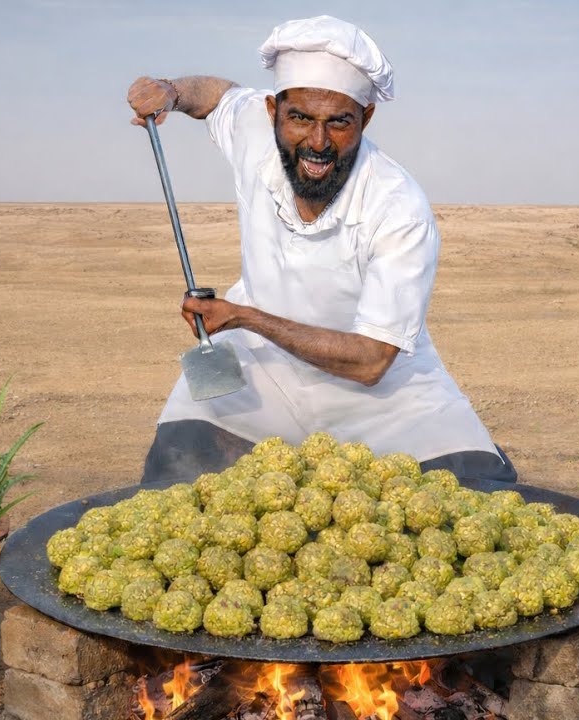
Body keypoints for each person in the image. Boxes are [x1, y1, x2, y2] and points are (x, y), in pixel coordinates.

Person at [128, 15, 516, 484]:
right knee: (175, 470)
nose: (317, 143)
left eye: (339, 123)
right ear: (273, 110)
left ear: (365, 119)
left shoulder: (399, 207)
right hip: (262, 369)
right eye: (300, 119)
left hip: (385, 397)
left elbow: (373, 361)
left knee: (476, 491)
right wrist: (170, 91)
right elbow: (213, 95)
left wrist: (244, 317)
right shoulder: (254, 128)